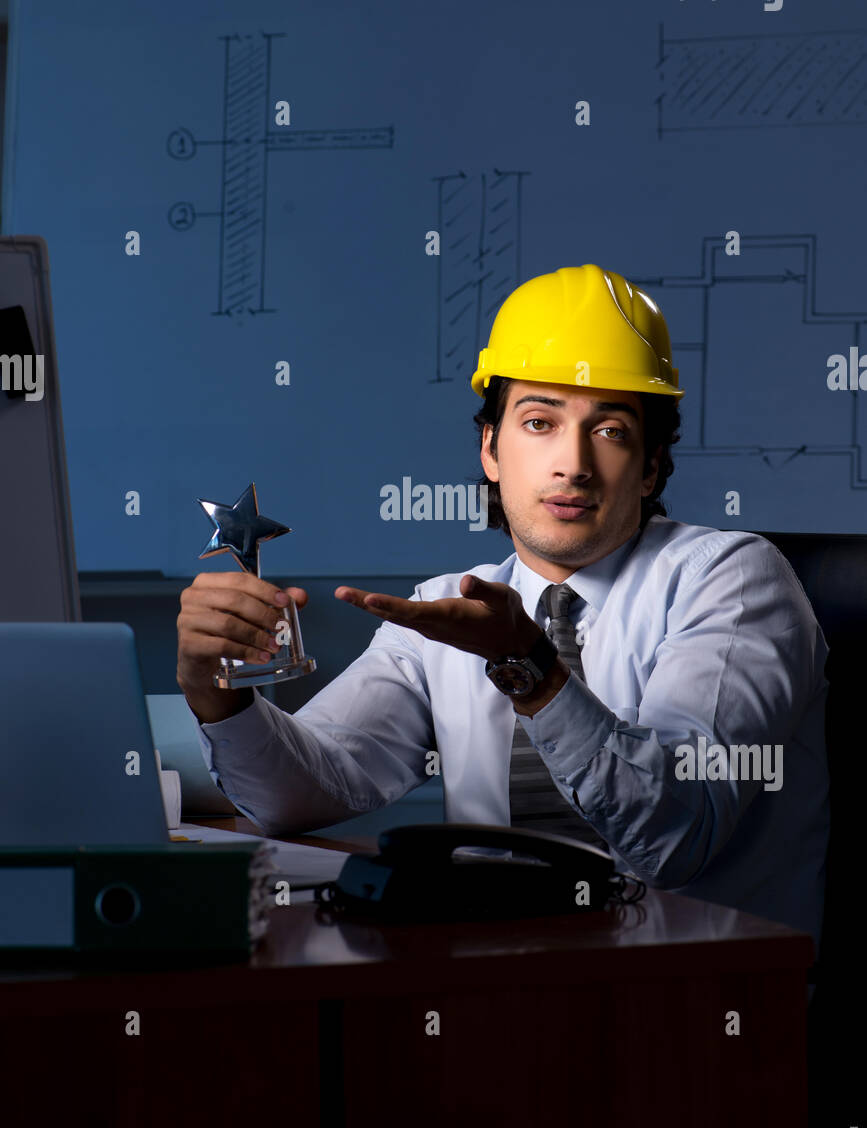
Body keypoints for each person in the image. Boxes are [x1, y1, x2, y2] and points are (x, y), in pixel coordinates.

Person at [177, 263, 830, 963]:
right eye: (539, 422)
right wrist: (215, 697)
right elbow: (302, 794)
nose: (572, 463)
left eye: (609, 430)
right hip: (501, 981)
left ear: (649, 467)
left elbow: (675, 835)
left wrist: (534, 671)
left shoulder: (732, 581)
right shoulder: (445, 609)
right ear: (490, 449)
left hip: (702, 1007)